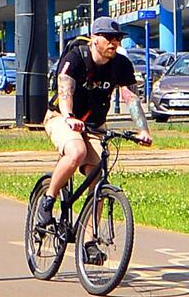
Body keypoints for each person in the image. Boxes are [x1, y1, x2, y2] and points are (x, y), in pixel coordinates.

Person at [44, 16, 147, 206]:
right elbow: (65, 92)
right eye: (108, 37)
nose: (113, 42)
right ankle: (48, 198)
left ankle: (92, 226)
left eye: (117, 38)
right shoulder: (76, 57)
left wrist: (143, 130)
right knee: (77, 152)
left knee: (98, 175)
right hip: (61, 117)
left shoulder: (122, 64)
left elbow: (131, 98)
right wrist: (69, 117)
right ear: (94, 38)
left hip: (94, 124)